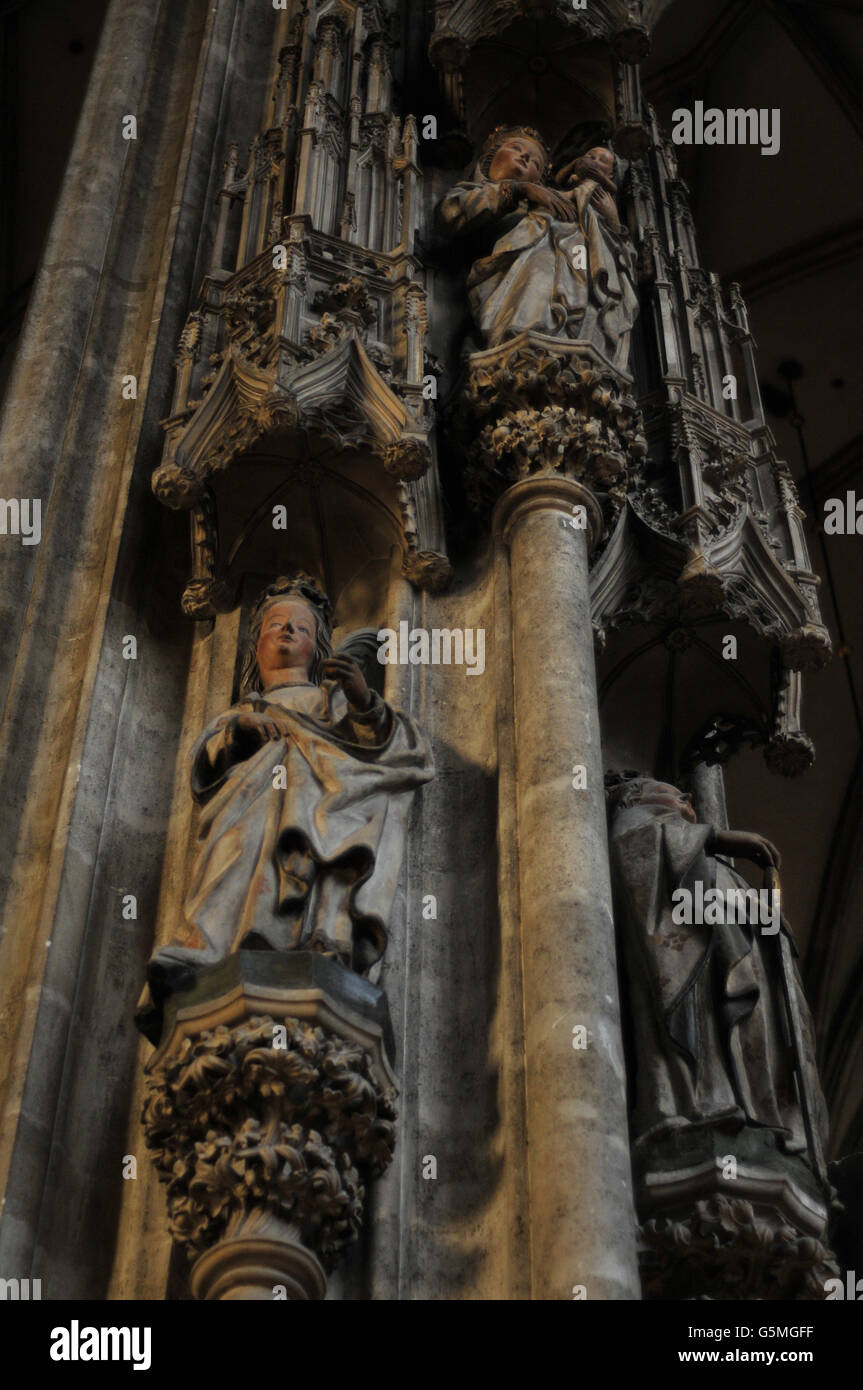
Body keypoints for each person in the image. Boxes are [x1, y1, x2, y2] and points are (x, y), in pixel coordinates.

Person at [148, 574, 433, 993]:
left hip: (322, 812)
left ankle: (321, 934)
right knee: (234, 852)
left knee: (343, 794)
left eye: (300, 627)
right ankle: (208, 948)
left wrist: (362, 701)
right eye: (275, 623)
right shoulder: (243, 710)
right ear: (256, 643)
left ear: (316, 648)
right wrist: (238, 731)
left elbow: (396, 751)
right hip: (247, 808)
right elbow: (204, 765)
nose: (286, 629)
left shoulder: (327, 701)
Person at [608, 776, 828, 1167]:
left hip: (739, 980)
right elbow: (640, 851)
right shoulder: (637, 827)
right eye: (672, 793)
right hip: (692, 973)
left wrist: (769, 926)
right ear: (634, 798)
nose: (687, 797)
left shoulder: (697, 851)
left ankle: (764, 1118)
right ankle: (700, 1105)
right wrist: (718, 838)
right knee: (700, 1034)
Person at [436, 126, 639, 370]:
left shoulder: (549, 205)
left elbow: (608, 254)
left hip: (572, 286)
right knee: (537, 279)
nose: (524, 157)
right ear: (488, 158)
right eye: (516, 149)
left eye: (534, 162)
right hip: (517, 282)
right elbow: (449, 215)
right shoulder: (478, 194)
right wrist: (517, 189)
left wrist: (613, 223)